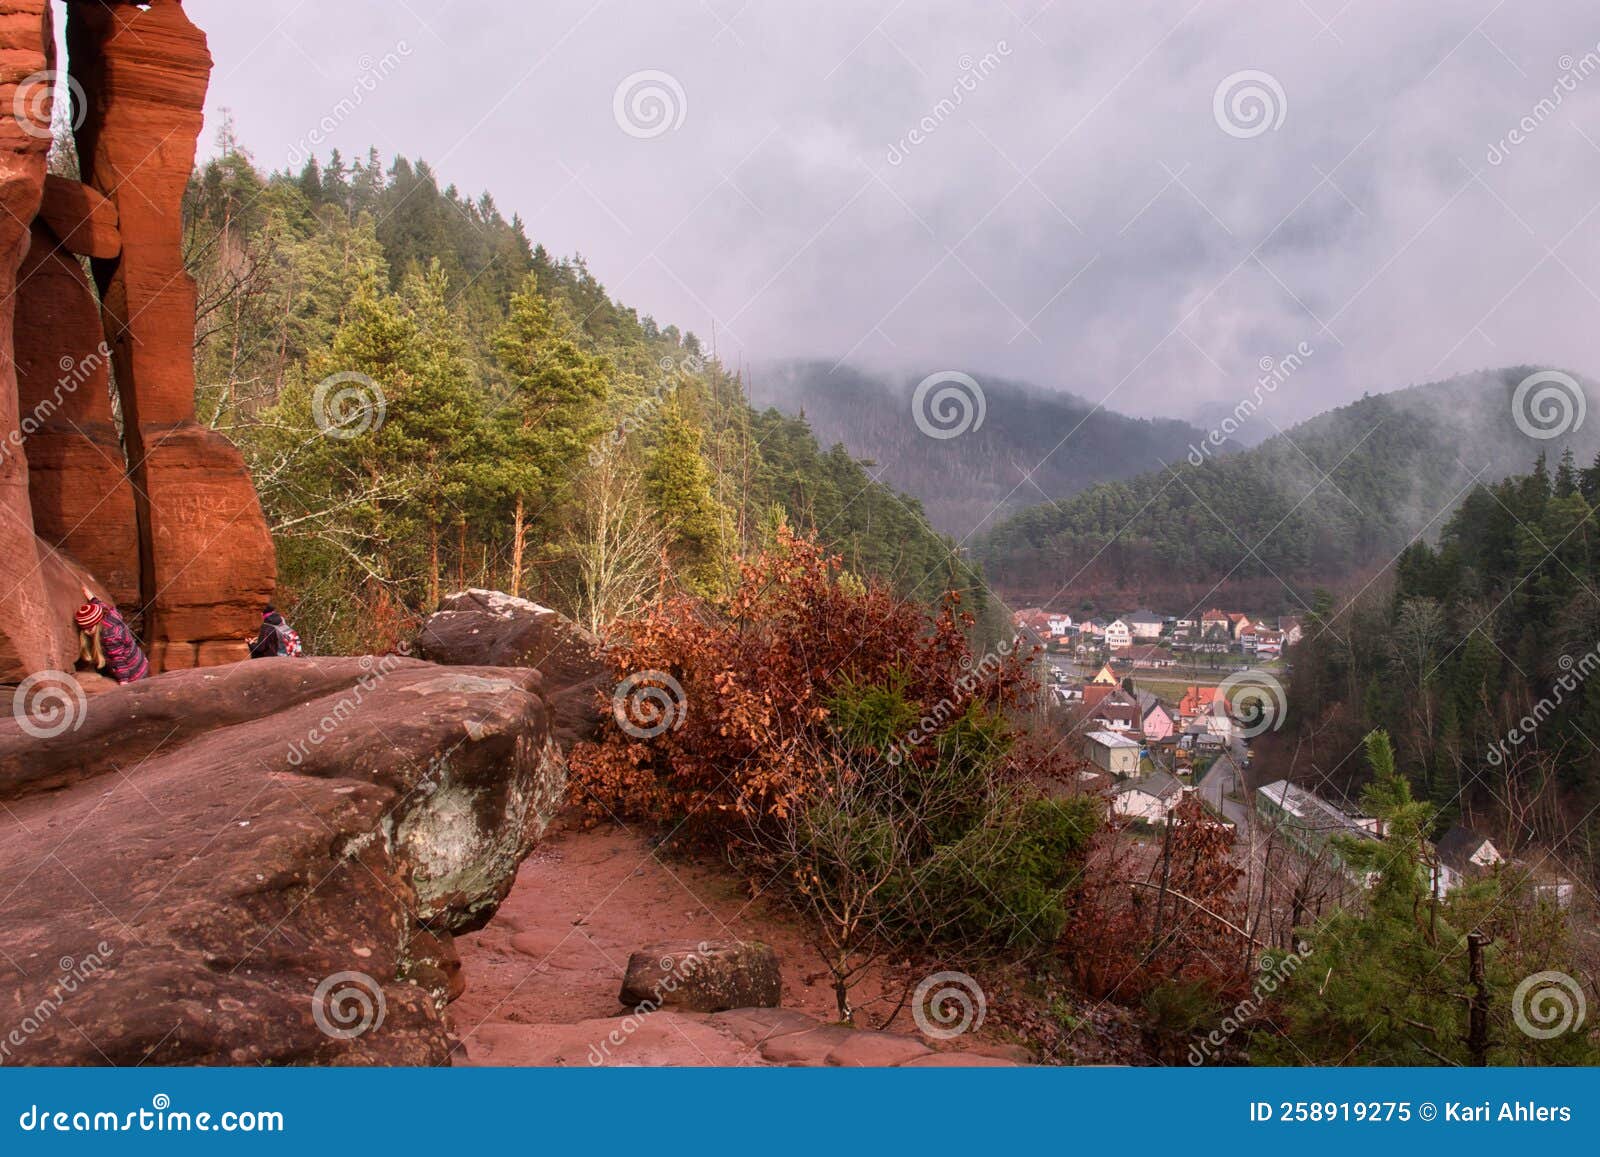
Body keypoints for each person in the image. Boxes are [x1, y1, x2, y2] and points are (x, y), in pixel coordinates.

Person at [75, 587, 149, 684]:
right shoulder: (109, 614)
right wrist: (91, 597)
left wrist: (124, 681)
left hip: (134, 672)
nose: (86, 632)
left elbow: (118, 659)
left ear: (97, 624)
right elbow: (100, 605)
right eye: (83, 629)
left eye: (89, 629)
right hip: (140, 660)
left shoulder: (110, 636)